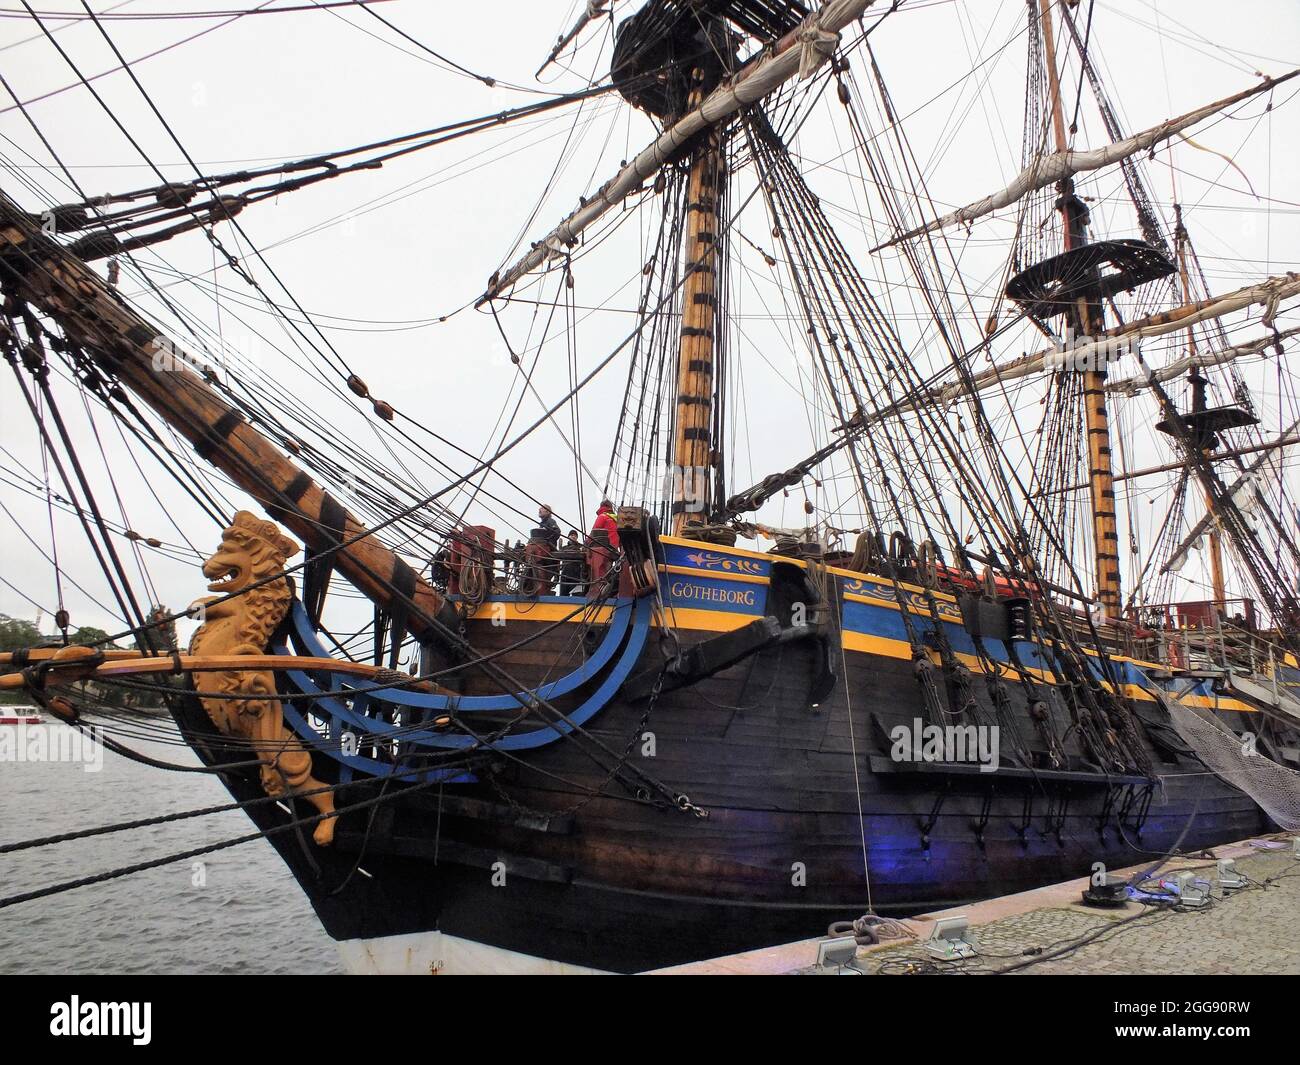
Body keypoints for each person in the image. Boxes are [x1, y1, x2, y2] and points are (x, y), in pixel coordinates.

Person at [587, 499, 621, 590]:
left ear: (602, 507)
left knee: (598, 570)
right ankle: (605, 589)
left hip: (602, 549)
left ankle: (599, 589)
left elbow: (594, 532)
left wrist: (586, 544)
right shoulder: (617, 520)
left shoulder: (603, 516)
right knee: (607, 569)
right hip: (613, 549)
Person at [559, 529, 586, 596]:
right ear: (568, 537)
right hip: (564, 574)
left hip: (576, 575)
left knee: (576, 595)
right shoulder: (564, 548)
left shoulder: (581, 547)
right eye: (572, 535)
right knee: (563, 595)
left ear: (577, 537)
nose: (573, 537)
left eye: (575, 536)